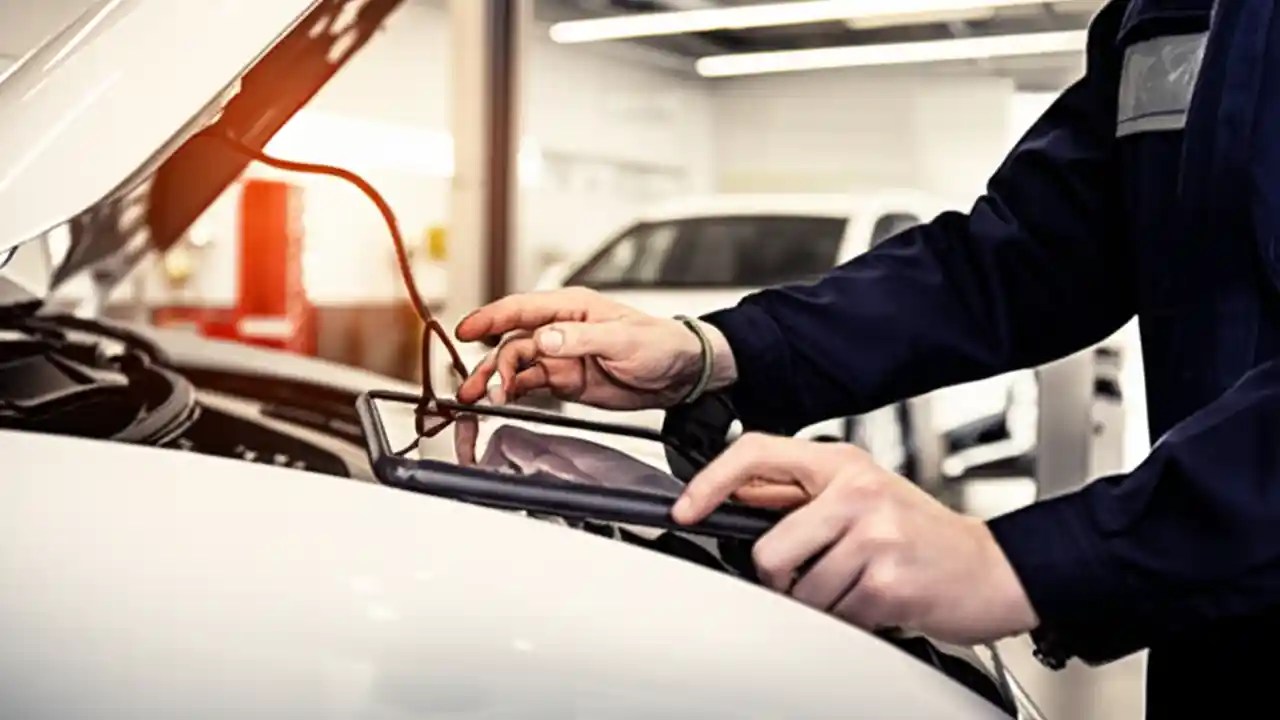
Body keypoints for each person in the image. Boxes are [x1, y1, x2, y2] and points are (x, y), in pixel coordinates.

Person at [454, 0, 1280, 712]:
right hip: (1210, 634)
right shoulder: (1171, 11)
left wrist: (1020, 559)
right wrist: (715, 349)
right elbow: (1023, 258)